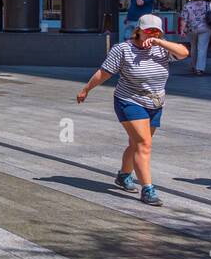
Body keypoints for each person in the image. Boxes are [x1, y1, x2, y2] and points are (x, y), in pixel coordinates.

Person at [76, 13, 189, 207]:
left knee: (137, 143)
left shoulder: (162, 49)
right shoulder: (123, 49)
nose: (152, 35)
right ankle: (148, 189)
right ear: (138, 31)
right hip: (129, 100)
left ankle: (123, 175)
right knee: (144, 144)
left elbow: (184, 53)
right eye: (148, 32)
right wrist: (86, 89)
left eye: (156, 32)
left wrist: (160, 43)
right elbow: (104, 73)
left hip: (155, 103)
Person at [178, 0, 211, 75]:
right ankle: (200, 68)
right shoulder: (207, 4)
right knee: (202, 48)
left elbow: (184, 19)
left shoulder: (187, 5)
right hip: (205, 28)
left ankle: (193, 65)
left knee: (193, 47)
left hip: (192, 29)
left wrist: (182, 30)